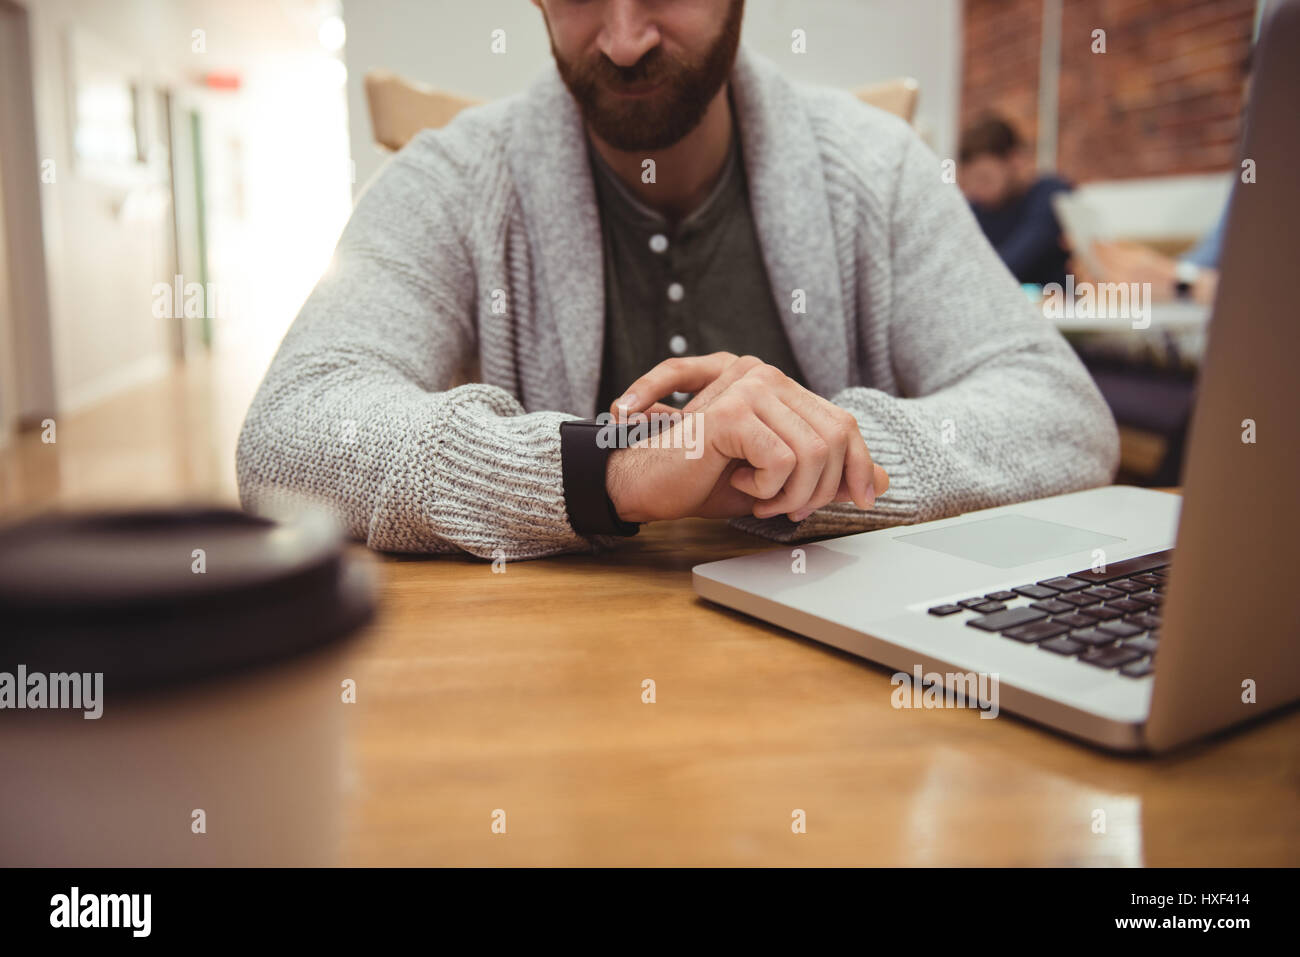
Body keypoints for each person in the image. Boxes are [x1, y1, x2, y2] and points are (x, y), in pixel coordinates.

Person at [236, 0, 1118, 560]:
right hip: (548, 695)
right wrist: (606, 469)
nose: (623, 40)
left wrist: (812, 461)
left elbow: (1062, 415)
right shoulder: (454, 180)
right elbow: (291, 432)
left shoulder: (876, 168)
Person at [959, 115, 1073, 288]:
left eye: (985, 179)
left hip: (1058, 309)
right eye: (969, 182)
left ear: (1015, 160)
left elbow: (1012, 264)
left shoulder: (1049, 195)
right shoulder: (974, 210)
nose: (976, 190)